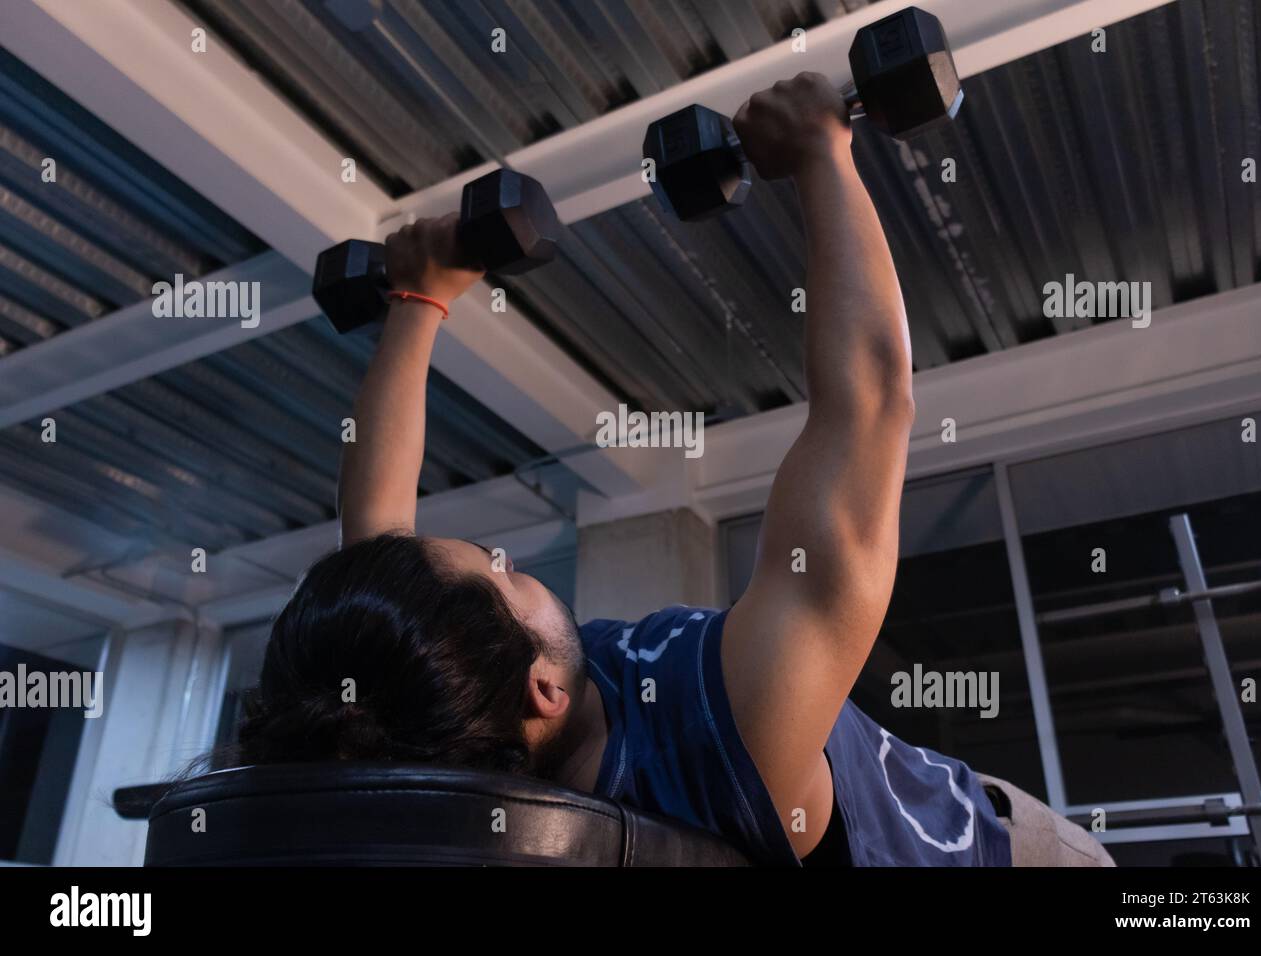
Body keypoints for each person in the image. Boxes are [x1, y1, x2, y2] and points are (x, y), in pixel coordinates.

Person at [237, 73, 1112, 867]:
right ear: (542, 690)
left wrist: (419, 300)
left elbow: (377, 534)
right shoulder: (728, 726)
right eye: (503, 575)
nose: (513, 563)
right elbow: (871, 406)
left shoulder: (474, 740)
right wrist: (820, 151)